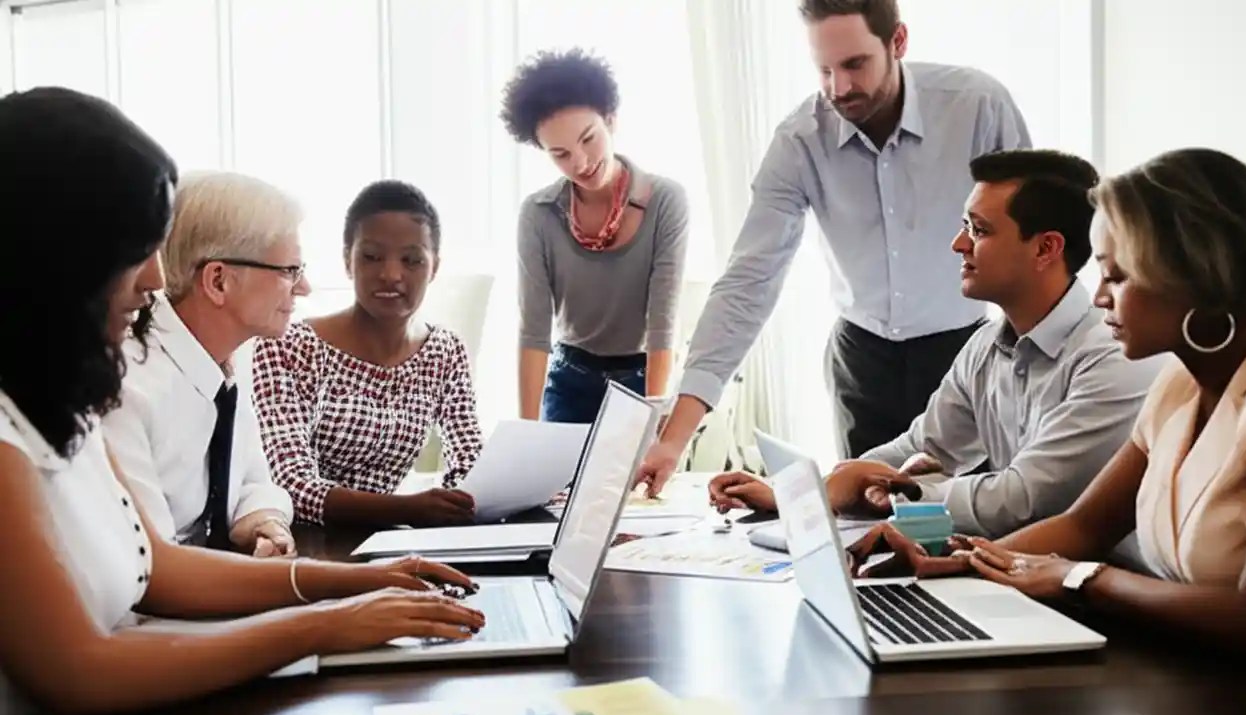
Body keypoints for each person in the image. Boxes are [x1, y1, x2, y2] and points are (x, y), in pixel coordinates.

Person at [0, 87, 483, 715]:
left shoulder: (68, 399)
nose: (153, 280)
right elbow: (82, 670)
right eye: (134, 252)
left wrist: (359, 579)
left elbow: (160, 568)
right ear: (58, 259)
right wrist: (326, 624)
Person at [847, 148, 1246, 660]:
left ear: (1193, 279)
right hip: (1184, 665)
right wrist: (952, 557)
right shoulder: (1178, 388)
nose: (1099, 298)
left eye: (1117, 277)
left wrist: (1082, 579)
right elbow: (1084, 525)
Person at [637, 0, 1029, 497]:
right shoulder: (799, 141)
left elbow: (1031, 234)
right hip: (861, 364)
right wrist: (674, 438)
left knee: (973, 523)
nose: (839, 88)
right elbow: (748, 281)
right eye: (823, 69)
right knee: (861, 525)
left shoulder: (976, 106)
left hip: (964, 351)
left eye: (854, 65)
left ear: (898, 43)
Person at [707, 150, 1162, 537]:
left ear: (1045, 249)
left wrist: (891, 494)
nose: (958, 243)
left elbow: (1026, 499)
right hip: (1022, 568)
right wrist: (801, 492)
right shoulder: (987, 344)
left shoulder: (1111, 355)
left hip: (1106, 591)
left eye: (979, 230)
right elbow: (923, 446)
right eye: (965, 225)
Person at [254, 180, 483, 528]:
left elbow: (469, 461)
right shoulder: (289, 346)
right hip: (300, 547)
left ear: (434, 267)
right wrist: (406, 510)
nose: (391, 274)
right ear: (348, 261)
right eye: (372, 257)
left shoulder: (445, 352)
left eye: (412, 260)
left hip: (390, 545)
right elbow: (291, 485)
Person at [103, 172, 307, 557]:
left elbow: (251, 481)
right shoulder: (128, 388)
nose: (303, 288)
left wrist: (266, 521)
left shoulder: (222, 363)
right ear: (218, 281)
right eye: (289, 271)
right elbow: (155, 567)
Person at [501, 48, 690, 423]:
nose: (581, 163)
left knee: (631, 482)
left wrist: (652, 420)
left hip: (641, 380)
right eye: (561, 154)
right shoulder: (538, 214)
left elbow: (662, 323)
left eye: (588, 139)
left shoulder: (666, 200)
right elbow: (534, 332)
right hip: (571, 380)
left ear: (611, 120)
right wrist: (528, 432)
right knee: (548, 481)